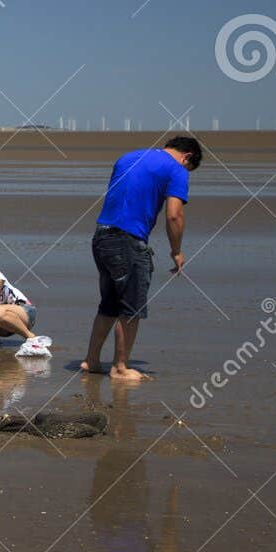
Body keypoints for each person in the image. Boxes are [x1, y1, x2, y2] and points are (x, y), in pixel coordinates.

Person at [81, 136, 201, 382]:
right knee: (131, 307)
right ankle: (121, 368)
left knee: (109, 304)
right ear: (187, 156)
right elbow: (174, 215)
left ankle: (91, 361)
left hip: (102, 237)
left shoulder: (129, 157)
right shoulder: (176, 169)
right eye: (189, 167)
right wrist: (176, 251)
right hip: (128, 240)